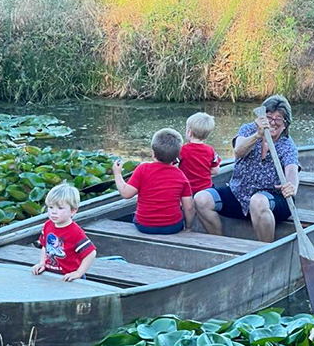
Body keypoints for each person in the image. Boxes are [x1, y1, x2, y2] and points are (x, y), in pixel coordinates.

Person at [194, 95, 299, 243]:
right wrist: (258, 135)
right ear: (261, 118)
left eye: (278, 119)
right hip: (239, 194)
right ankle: (220, 244)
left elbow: (292, 170)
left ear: (285, 124)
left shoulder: (287, 145)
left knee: (257, 201)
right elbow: (238, 151)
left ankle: (265, 249)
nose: (273, 123)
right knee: (201, 199)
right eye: (269, 117)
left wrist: (292, 186)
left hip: (272, 201)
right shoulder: (248, 130)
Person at [112, 128, 195, 234]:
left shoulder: (143, 169)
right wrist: (188, 227)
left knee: (133, 215)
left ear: (153, 153)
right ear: (177, 156)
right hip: (172, 227)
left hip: (144, 226)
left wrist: (117, 173)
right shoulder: (181, 176)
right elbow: (188, 207)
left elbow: (125, 193)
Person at [32, 182, 97, 281]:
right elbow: (45, 246)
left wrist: (78, 273)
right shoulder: (48, 225)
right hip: (51, 274)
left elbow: (91, 253)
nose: (54, 211)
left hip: (69, 278)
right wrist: (42, 263)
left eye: (60, 208)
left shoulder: (75, 232)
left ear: (72, 211)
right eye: (50, 207)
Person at [179, 111, 221, 193]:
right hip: (206, 190)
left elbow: (171, 164)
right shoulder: (211, 151)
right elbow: (215, 171)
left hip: (188, 190)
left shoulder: (182, 150)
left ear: (189, 133)